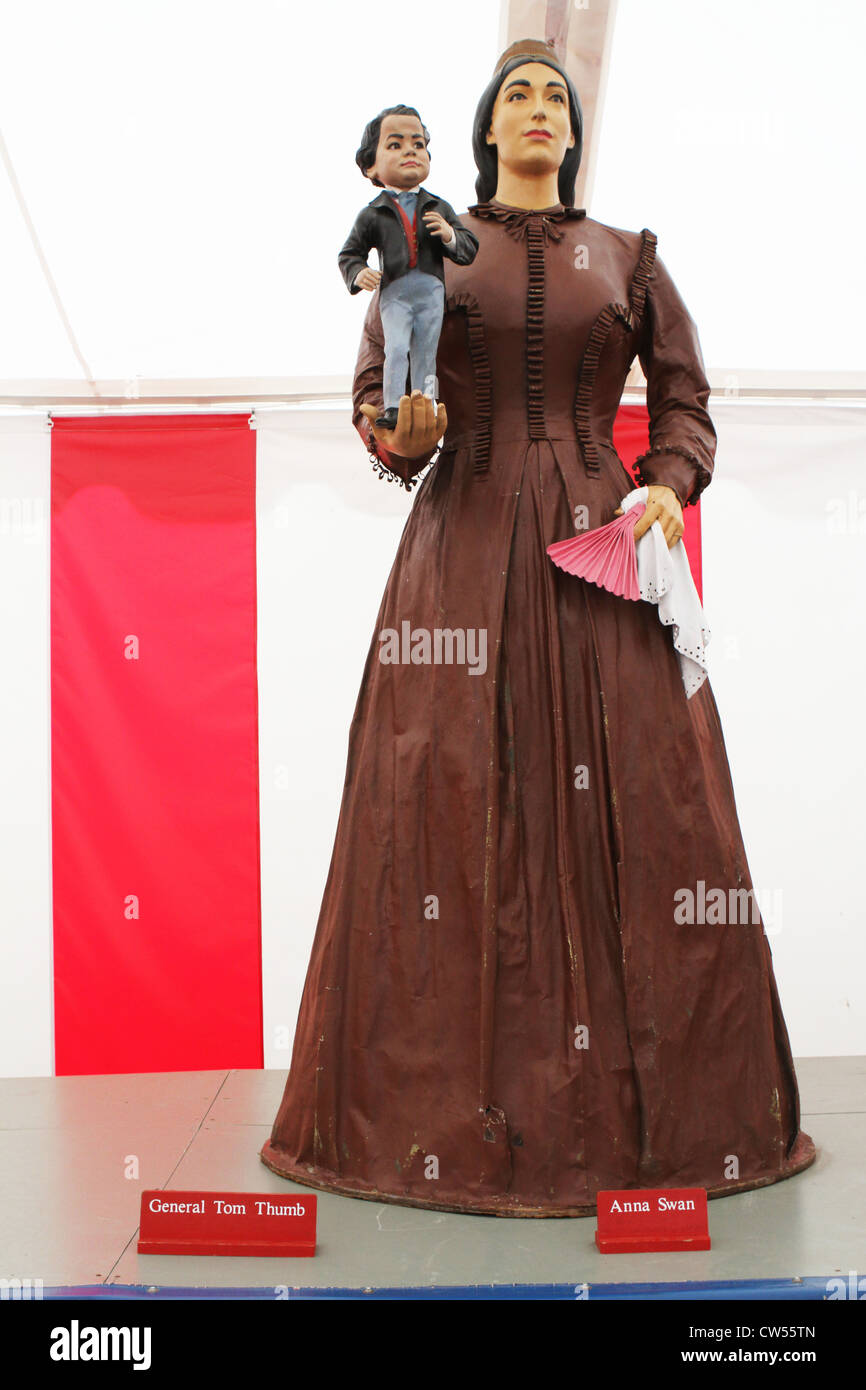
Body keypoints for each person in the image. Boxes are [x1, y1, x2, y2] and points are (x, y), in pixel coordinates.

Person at [260, 38, 816, 1216]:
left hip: (599, 548)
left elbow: (684, 401)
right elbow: (377, 400)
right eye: (514, 93)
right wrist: (396, 432)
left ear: (570, 129)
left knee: (644, 792)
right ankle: (441, 1134)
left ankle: (655, 1134)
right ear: (484, 127)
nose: (535, 108)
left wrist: (666, 482)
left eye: (552, 96)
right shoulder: (423, 244)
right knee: (444, 790)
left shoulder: (629, 257)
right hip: (458, 549)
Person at [338, 104, 478, 428]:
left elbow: (468, 248)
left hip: (431, 290)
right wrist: (359, 272)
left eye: (418, 144)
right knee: (397, 348)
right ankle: (393, 406)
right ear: (371, 166)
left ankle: (425, 404)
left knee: (427, 352)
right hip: (395, 292)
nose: (410, 151)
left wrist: (449, 235)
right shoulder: (372, 214)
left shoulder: (439, 206)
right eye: (395, 144)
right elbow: (349, 254)